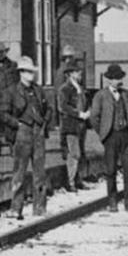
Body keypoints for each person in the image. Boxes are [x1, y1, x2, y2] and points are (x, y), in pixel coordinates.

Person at [7, 56, 50, 219]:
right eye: (28, 72)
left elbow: (48, 109)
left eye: (32, 72)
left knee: (40, 172)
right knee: (19, 172)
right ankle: (15, 208)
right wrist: (15, 124)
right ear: (21, 73)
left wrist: (44, 122)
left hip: (38, 132)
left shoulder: (39, 90)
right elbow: (3, 113)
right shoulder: (12, 91)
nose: (32, 75)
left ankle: (39, 208)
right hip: (22, 132)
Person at [92, 63, 128, 214]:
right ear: (109, 80)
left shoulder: (126, 94)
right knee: (110, 170)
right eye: (116, 78)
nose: (119, 81)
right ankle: (112, 201)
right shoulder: (101, 95)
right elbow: (94, 117)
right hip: (110, 136)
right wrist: (103, 133)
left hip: (126, 136)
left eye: (120, 78)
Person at [57, 61, 94, 191]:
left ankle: (78, 180)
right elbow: (63, 107)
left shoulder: (80, 88)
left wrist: (88, 112)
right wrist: (78, 114)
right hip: (71, 125)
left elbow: (85, 103)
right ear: (71, 74)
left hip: (81, 126)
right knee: (74, 154)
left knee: (80, 153)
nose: (80, 75)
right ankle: (70, 182)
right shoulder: (64, 89)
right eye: (78, 72)